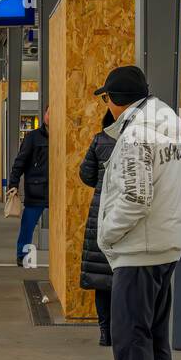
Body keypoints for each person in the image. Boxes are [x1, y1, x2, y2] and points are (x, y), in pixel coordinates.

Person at [93, 66, 181, 360]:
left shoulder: (135, 137)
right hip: (164, 247)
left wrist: (107, 235)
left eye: (106, 99)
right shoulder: (166, 123)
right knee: (153, 338)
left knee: (129, 339)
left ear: (115, 101)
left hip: (138, 250)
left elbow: (135, 198)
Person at [78, 110, 116, 345]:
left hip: (101, 211)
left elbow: (86, 174)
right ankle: (123, 330)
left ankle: (105, 332)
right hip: (129, 216)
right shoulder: (143, 138)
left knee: (102, 279)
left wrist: (102, 183)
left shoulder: (100, 139)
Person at [9, 108, 49, 266]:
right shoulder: (32, 137)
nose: (50, 116)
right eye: (48, 112)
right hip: (36, 189)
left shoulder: (63, 136)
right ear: (44, 115)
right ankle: (24, 256)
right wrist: (13, 183)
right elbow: (20, 162)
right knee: (28, 226)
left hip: (57, 191)